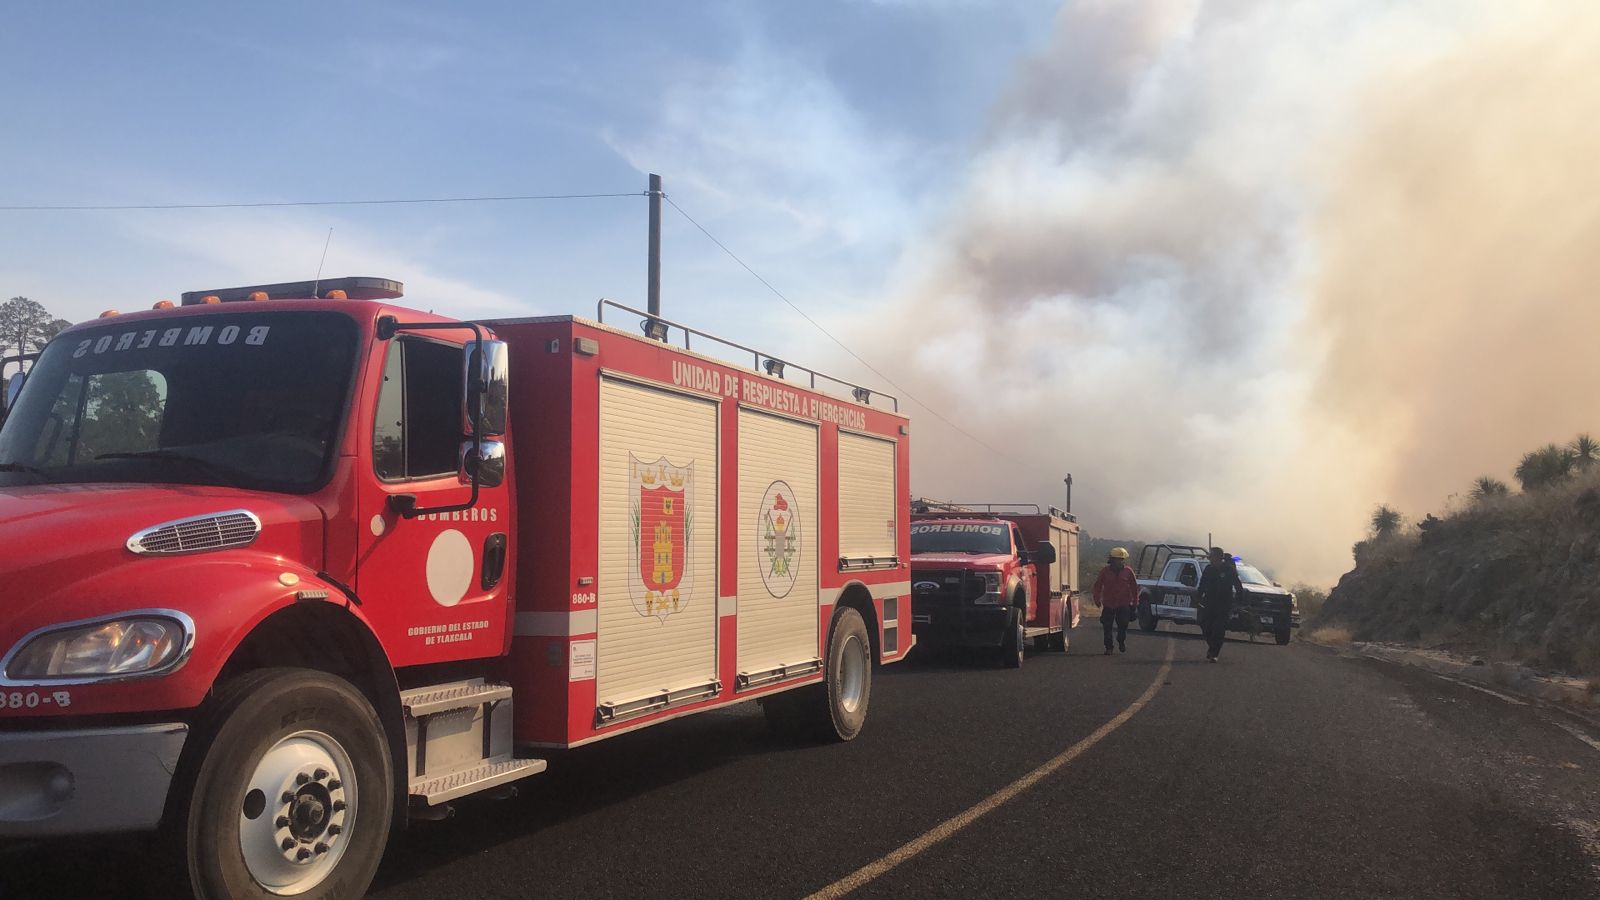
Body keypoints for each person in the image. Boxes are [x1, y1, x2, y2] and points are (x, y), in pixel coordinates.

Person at [1196, 547, 1244, 662]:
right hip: (1209, 603)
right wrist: (1197, 598)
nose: (1210, 559)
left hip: (1224, 605)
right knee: (1205, 626)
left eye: (1211, 556)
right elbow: (1202, 585)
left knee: (1219, 629)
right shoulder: (1208, 569)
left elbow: (1238, 587)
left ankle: (1214, 653)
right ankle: (1212, 647)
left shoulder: (1229, 570)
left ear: (1218, 557)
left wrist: (1238, 603)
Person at [1092, 547, 1139, 655]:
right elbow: (1098, 586)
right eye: (1117, 559)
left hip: (1124, 604)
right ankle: (1109, 647)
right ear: (1111, 560)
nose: (1119, 561)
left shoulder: (1128, 571)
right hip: (1109, 603)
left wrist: (1135, 602)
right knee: (1107, 626)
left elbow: (1134, 588)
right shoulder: (1105, 571)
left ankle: (1121, 640)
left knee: (1123, 625)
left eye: (1121, 559)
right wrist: (1097, 599)